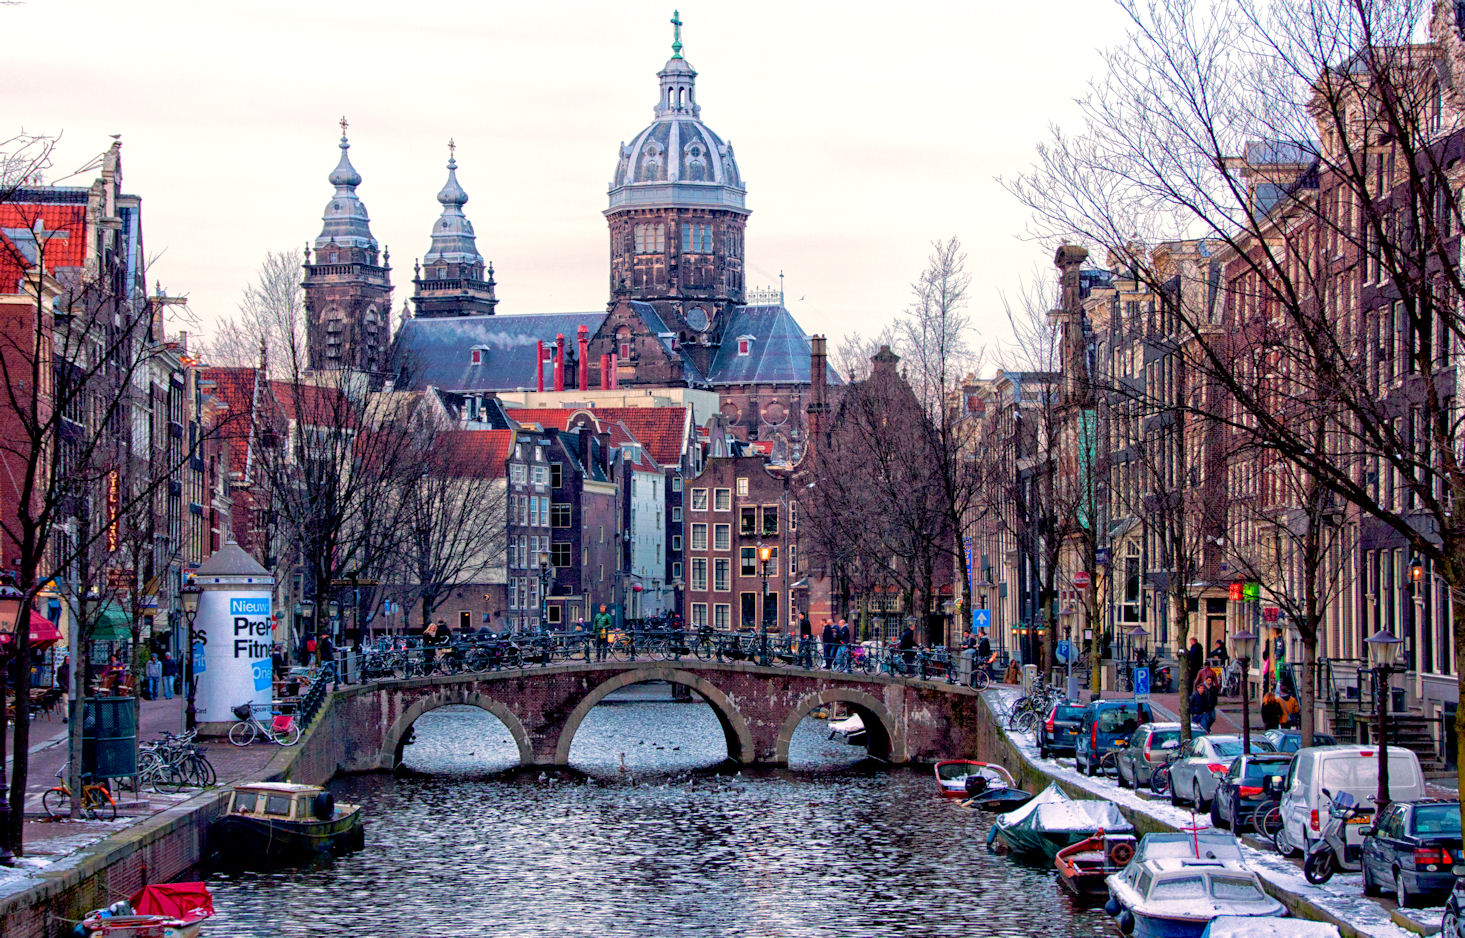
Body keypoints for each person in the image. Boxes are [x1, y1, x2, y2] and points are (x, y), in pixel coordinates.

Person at [55, 654, 70, 723]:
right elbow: (59, 678)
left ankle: (71, 715)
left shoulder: (74, 668)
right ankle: (66, 717)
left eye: (69, 660)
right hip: (65, 689)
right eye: (67, 660)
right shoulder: (61, 669)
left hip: (72, 689)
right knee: (65, 702)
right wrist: (63, 686)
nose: (68, 661)